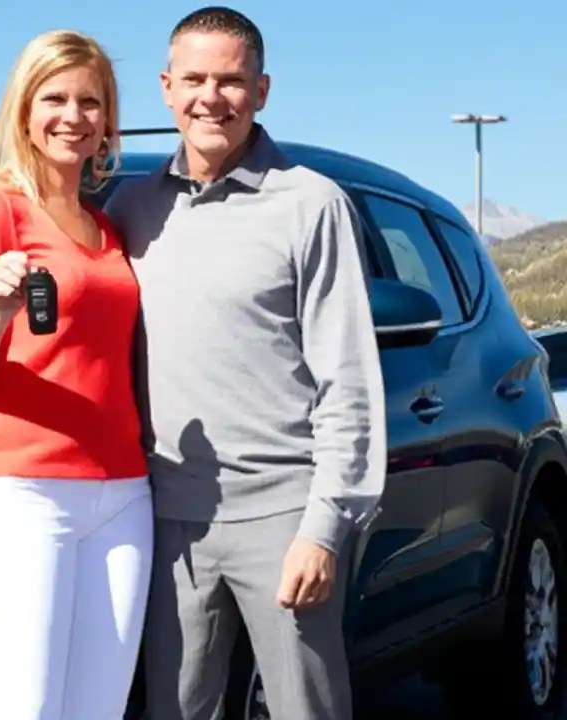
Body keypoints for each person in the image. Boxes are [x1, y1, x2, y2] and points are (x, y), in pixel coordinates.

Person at [102, 6, 386, 720]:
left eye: (230, 81)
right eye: (194, 79)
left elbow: (348, 380)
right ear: (166, 88)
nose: (211, 97)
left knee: (306, 709)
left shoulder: (311, 205)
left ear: (261, 90)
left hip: (285, 517)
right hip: (168, 520)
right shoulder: (131, 210)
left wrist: (323, 529)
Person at [0, 29, 153, 720]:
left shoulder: (106, 229)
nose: (72, 116)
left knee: (99, 711)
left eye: (90, 101)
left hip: (123, 494)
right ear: (24, 110)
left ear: (107, 120)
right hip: (24, 494)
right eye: (54, 98)